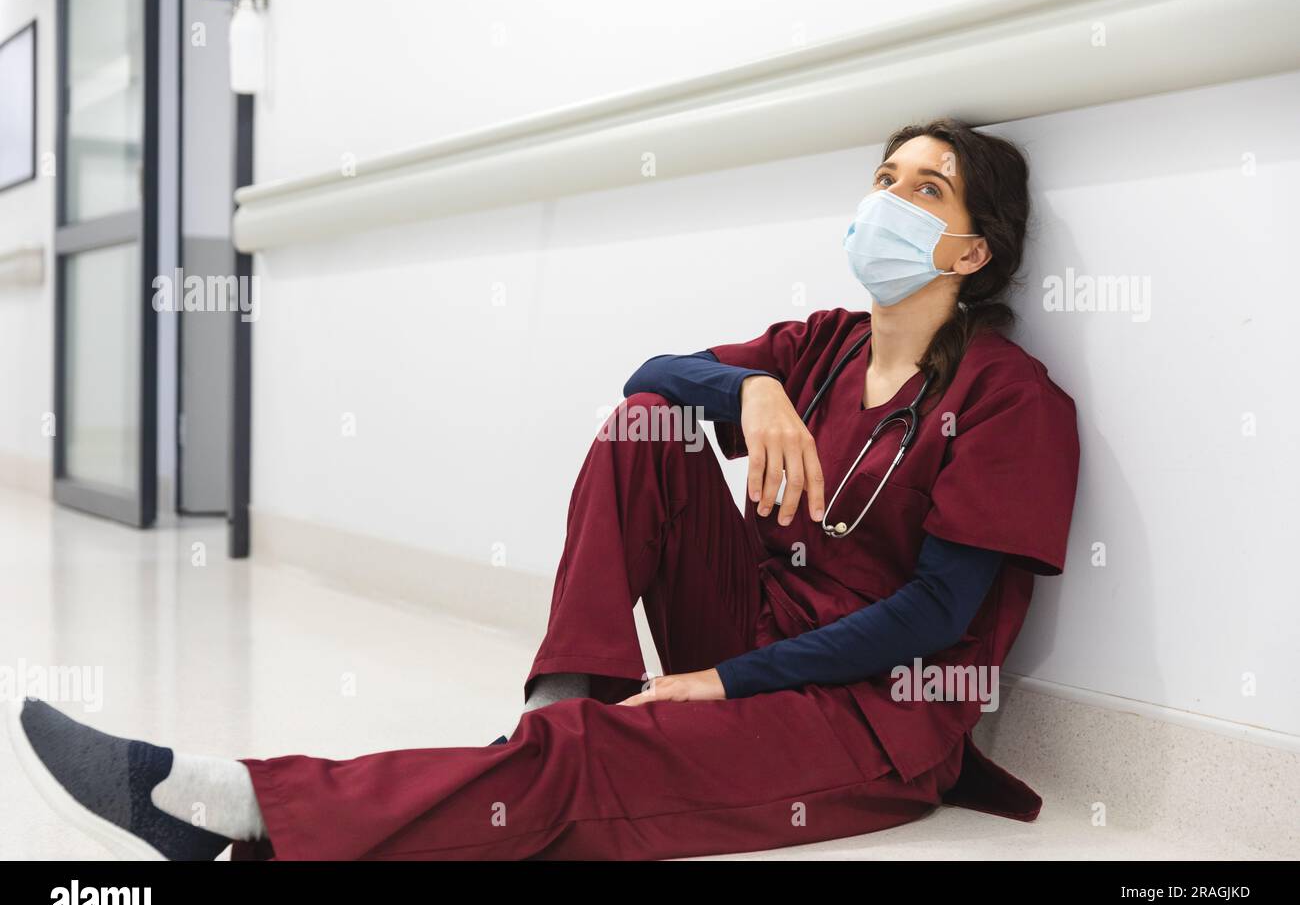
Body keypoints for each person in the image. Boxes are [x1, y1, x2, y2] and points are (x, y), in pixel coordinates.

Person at [7, 118, 1080, 861]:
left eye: (924, 190)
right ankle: (570, 706)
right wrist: (752, 390)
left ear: (972, 248)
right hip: (752, 623)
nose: (888, 201)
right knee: (649, 428)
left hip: (870, 718)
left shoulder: (1010, 399)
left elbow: (939, 614)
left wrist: (717, 686)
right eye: (885, 179)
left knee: (590, 769)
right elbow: (650, 381)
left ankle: (240, 809)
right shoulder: (823, 347)